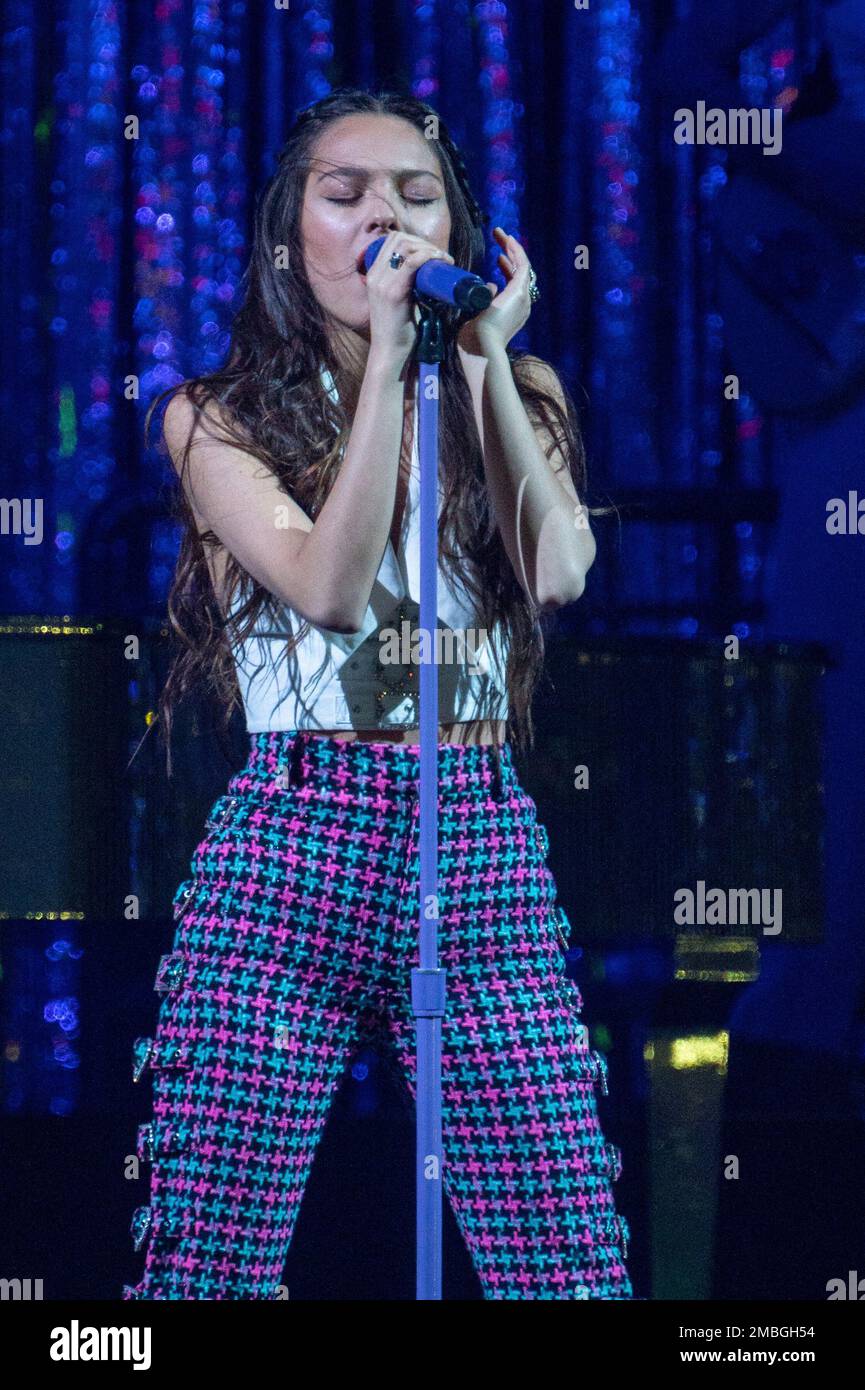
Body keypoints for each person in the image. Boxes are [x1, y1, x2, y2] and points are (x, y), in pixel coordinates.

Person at [123, 87, 633, 1301]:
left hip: (473, 832)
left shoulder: (520, 385)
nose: (381, 220)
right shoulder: (214, 415)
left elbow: (557, 569)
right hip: (297, 833)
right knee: (210, 1260)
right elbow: (330, 590)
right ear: (290, 235)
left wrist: (480, 365)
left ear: (455, 232)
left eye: (415, 196)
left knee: (563, 1261)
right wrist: (389, 371)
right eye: (343, 194)